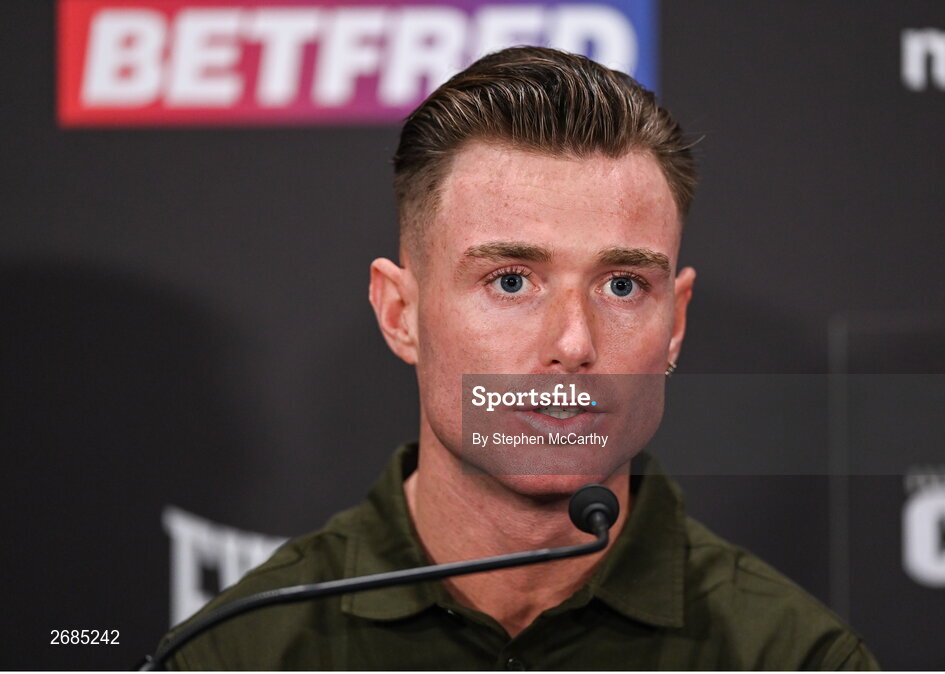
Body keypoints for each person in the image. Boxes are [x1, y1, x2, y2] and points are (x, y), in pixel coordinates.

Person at [159, 46, 879, 670]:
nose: (573, 343)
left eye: (623, 285)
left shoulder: (794, 659)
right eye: (510, 282)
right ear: (399, 313)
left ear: (675, 324)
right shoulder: (237, 654)